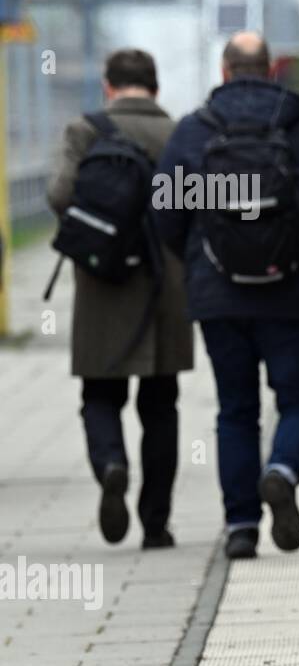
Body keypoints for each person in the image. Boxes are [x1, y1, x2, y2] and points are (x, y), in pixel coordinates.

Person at [154, 32, 299, 559]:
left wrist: (202, 262)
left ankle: (242, 527)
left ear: (224, 71)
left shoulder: (194, 131)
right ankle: (282, 470)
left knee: (236, 411)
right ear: (270, 70)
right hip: (293, 294)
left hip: (220, 298)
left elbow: (165, 218)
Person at [46, 49, 194, 549]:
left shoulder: (83, 131)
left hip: (102, 282)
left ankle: (111, 463)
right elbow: (196, 204)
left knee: (100, 396)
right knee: (161, 406)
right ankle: (156, 525)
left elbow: (60, 196)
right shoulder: (180, 134)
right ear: (154, 87)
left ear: (109, 87)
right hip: (165, 284)